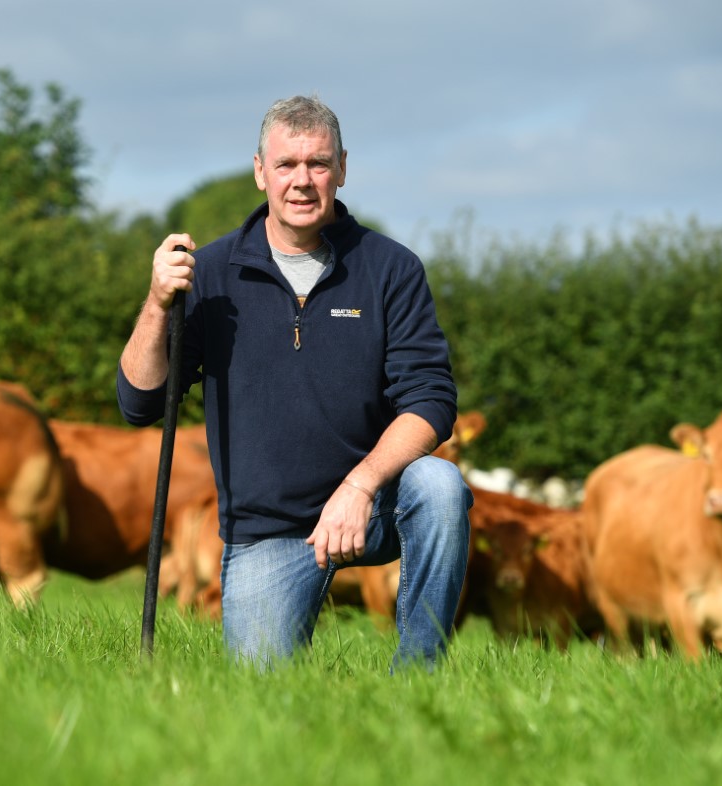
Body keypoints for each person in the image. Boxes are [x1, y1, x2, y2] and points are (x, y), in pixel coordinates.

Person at [116, 95, 471, 671]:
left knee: (439, 486)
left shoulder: (391, 268)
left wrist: (359, 488)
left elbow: (430, 400)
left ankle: (419, 681)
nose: (302, 181)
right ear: (260, 171)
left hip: (374, 505)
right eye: (286, 165)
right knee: (261, 692)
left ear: (342, 168)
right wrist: (158, 303)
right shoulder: (209, 274)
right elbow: (139, 402)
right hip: (268, 533)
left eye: (318, 164)